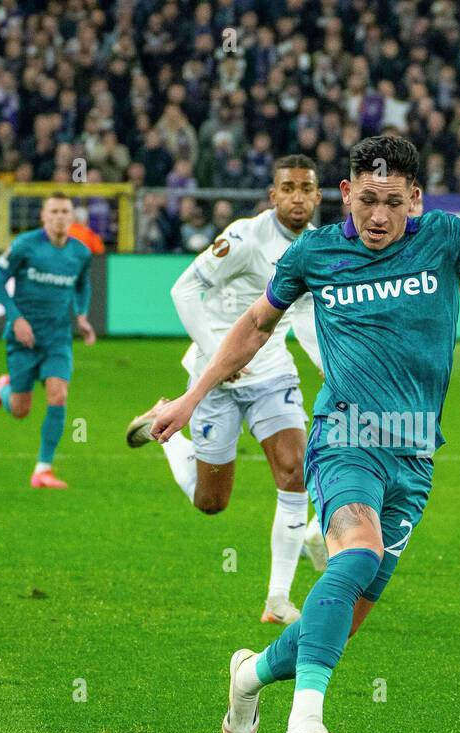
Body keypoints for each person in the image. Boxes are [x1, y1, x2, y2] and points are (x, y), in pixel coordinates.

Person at [147, 135, 460, 733]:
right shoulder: (316, 251)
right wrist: (190, 400)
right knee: (354, 558)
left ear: (415, 198)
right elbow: (252, 327)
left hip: (413, 456)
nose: (377, 217)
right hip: (344, 438)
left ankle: (247, 677)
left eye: (391, 202)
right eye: (365, 201)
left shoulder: (446, 239)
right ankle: (304, 723)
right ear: (346, 193)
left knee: (343, 618)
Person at [126, 155, 329, 626]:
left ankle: (277, 600)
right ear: (273, 195)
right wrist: (219, 353)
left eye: (306, 188)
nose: (297, 196)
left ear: (319, 197)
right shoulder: (245, 238)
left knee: (294, 471)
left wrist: (328, 366)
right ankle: (169, 431)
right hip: (215, 377)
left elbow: (302, 314)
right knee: (211, 502)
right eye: (288, 188)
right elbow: (182, 290)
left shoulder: (319, 246)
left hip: (273, 372)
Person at [0, 192, 95, 488]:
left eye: (65, 211)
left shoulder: (80, 253)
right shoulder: (24, 245)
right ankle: (3, 388)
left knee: (58, 394)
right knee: (20, 410)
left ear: (72, 217)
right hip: (24, 339)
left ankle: (43, 469)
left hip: (58, 339)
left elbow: (83, 285)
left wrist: (81, 316)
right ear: (43, 216)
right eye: (54, 211)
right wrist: (16, 319)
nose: (60, 217)